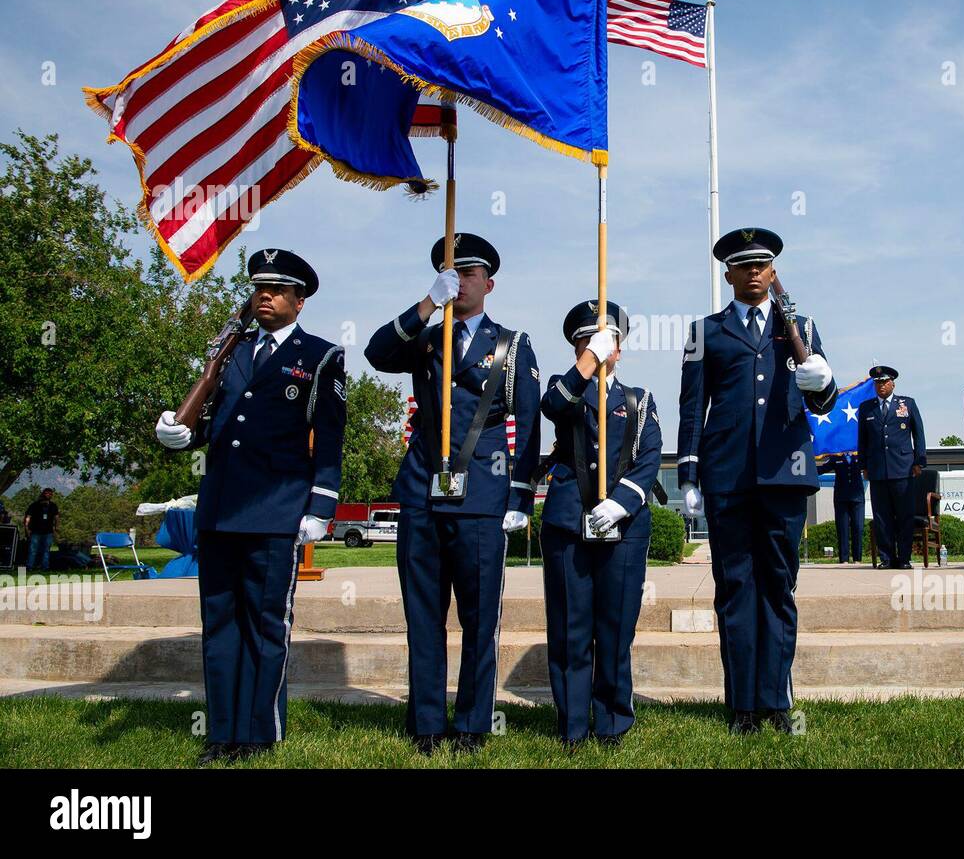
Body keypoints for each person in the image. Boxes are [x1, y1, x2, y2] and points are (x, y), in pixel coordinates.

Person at [155, 249, 346, 765]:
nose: (266, 295)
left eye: (279, 288)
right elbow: (217, 423)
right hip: (219, 509)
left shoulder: (321, 356)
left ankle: (260, 732)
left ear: (299, 301)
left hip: (276, 510)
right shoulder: (231, 350)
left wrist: (320, 506)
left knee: (266, 626)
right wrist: (180, 431)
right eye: (260, 286)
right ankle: (222, 732)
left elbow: (328, 439)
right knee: (219, 624)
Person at [364, 232, 540, 754]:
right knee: (423, 615)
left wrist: (520, 497)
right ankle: (425, 724)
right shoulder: (425, 336)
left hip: (482, 494)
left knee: (480, 618)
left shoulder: (510, 345)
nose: (460, 280)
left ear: (489, 282)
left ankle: (472, 724)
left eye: (469, 273)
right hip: (422, 489)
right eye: (451, 272)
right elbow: (377, 353)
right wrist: (425, 305)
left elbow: (528, 425)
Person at [678, 228, 837, 734]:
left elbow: (821, 402)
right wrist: (688, 471)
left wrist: (824, 383)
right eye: (742, 265)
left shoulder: (802, 326)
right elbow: (691, 406)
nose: (752, 272)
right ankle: (742, 704)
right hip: (728, 476)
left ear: (773, 272)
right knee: (735, 588)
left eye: (761, 265)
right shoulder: (707, 331)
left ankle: (777, 700)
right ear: (727, 274)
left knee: (779, 587)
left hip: (784, 474)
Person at [538, 300, 663, 748]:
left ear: (619, 349)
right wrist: (589, 361)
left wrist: (622, 503)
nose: (599, 348)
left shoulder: (639, 400)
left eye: (607, 342)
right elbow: (555, 405)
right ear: (578, 347)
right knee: (570, 627)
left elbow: (649, 460)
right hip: (569, 523)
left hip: (624, 529)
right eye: (587, 342)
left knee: (614, 629)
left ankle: (611, 721)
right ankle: (571, 724)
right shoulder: (564, 387)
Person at [857, 366, 926, 569]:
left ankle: (904, 558)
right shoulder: (866, 408)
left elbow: (919, 434)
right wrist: (864, 465)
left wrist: (919, 461)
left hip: (903, 469)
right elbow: (863, 439)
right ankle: (886, 558)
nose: (881, 386)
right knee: (882, 517)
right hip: (878, 469)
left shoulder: (907, 404)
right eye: (878, 383)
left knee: (905, 516)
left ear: (893, 383)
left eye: (885, 382)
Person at [828, 454, 865, 564]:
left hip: (857, 497)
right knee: (842, 528)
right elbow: (822, 468)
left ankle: (857, 558)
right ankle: (844, 559)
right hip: (841, 498)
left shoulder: (858, 454)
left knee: (858, 527)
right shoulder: (836, 456)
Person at [24, 488, 59, 571]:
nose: (48, 495)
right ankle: (29, 567)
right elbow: (28, 517)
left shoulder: (53, 506)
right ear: (43, 494)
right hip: (36, 531)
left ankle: (45, 567)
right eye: (47, 493)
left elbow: (57, 517)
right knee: (33, 550)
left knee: (46, 550)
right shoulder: (35, 505)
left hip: (48, 532)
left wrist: (57, 527)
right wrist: (26, 527)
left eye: (50, 494)